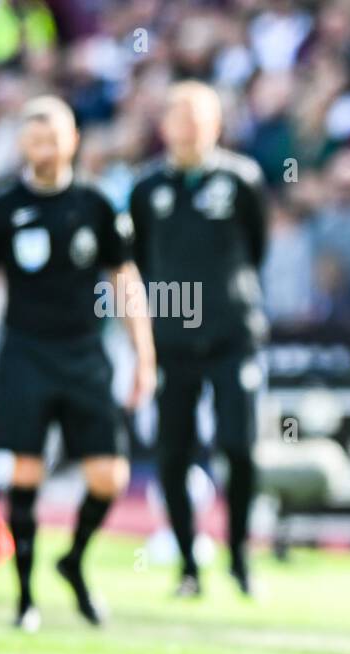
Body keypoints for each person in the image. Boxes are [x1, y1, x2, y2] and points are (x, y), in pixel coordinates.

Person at [0, 95, 155, 631]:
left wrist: (144, 353)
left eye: (53, 136)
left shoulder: (98, 206)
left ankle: (74, 560)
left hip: (85, 355)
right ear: (22, 144)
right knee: (25, 472)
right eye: (34, 138)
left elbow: (125, 280)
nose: (43, 147)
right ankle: (24, 597)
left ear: (73, 141)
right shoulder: (1, 211)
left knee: (110, 476)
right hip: (24, 353)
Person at [129, 82, 268, 597]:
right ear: (164, 125)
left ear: (216, 124)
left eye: (198, 117)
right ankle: (188, 564)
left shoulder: (242, 178)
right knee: (172, 452)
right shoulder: (146, 190)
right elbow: (140, 264)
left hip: (233, 335)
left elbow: (257, 247)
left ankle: (240, 559)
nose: (187, 127)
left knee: (239, 447)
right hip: (172, 342)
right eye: (179, 117)